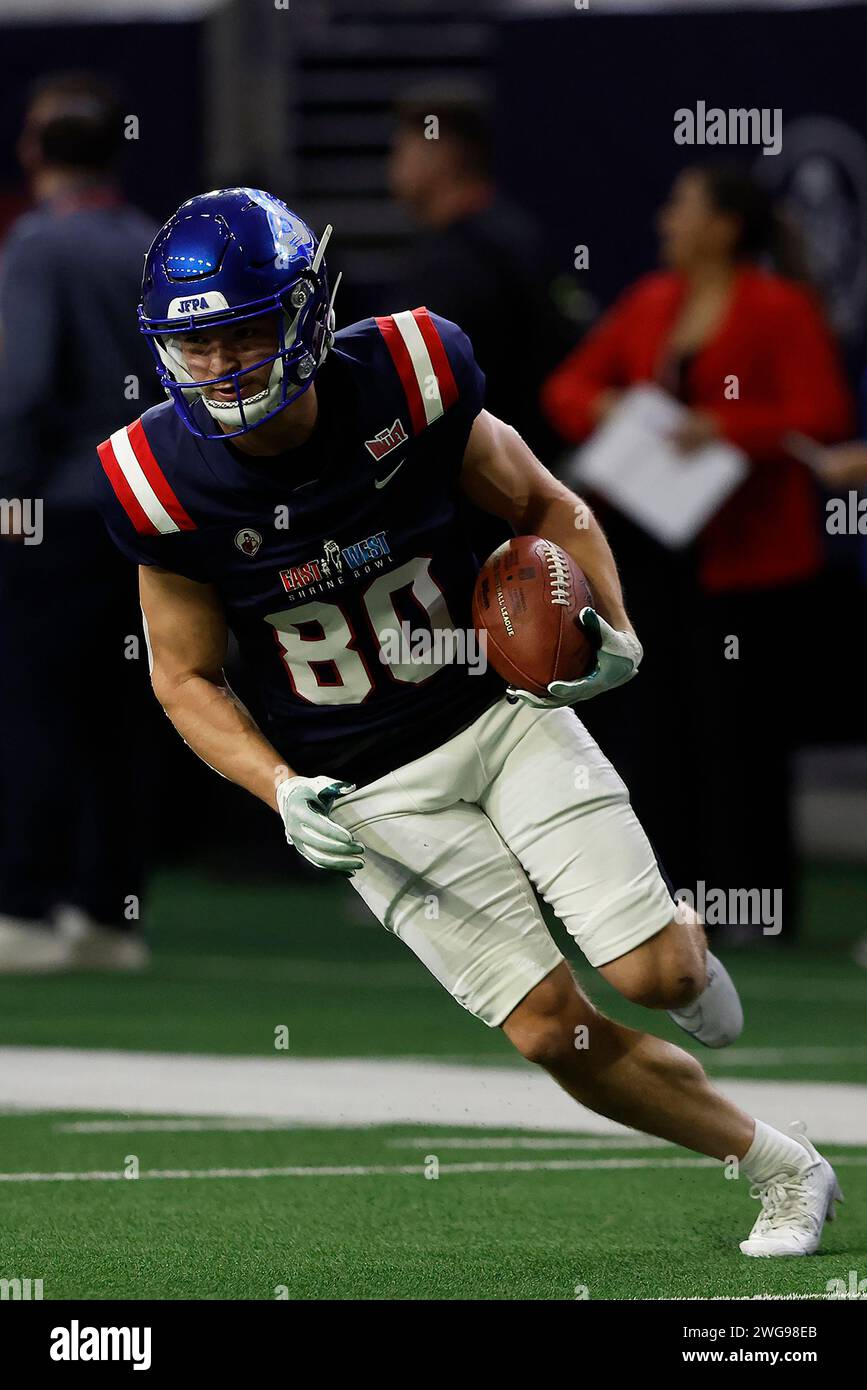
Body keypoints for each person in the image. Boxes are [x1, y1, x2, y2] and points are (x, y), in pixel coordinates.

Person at [95, 187, 841, 1257]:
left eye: (246, 331)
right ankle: (784, 1168)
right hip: (364, 788)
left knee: (653, 978)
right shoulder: (155, 477)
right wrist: (278, 787)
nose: (222, 366)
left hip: (500, 713)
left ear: (305, 312)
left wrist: (611, 623)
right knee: (553, 1028)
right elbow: (184, 676)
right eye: (197, 343)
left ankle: (686, 958)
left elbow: (543, 502)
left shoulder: (409, 372)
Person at [542, 164, 855, 941]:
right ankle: (666, 903)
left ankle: (754, 905)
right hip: (655, 546)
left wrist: (724, 427)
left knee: (740, 733)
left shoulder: (778, 307)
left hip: (746, 558)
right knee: (660, 725)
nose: (666, 220)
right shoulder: (651, 301)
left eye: (681, 205)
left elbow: (821, 413)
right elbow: (567, 389)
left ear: (723, 225)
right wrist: (610, 404)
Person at [0, 73, 157, 972]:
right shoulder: (149, 245)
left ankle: (25, 906)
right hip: (141, 515)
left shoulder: (35, 244)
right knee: (124, 717)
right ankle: (108, 916)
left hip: (53, 512)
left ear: (35, 150)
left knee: (36, 710)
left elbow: (22, 392)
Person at [388, 85, 575, 461]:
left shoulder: (464, 260)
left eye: (402, 151)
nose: (394, 167)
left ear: (441, 155)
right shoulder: (515, 237)